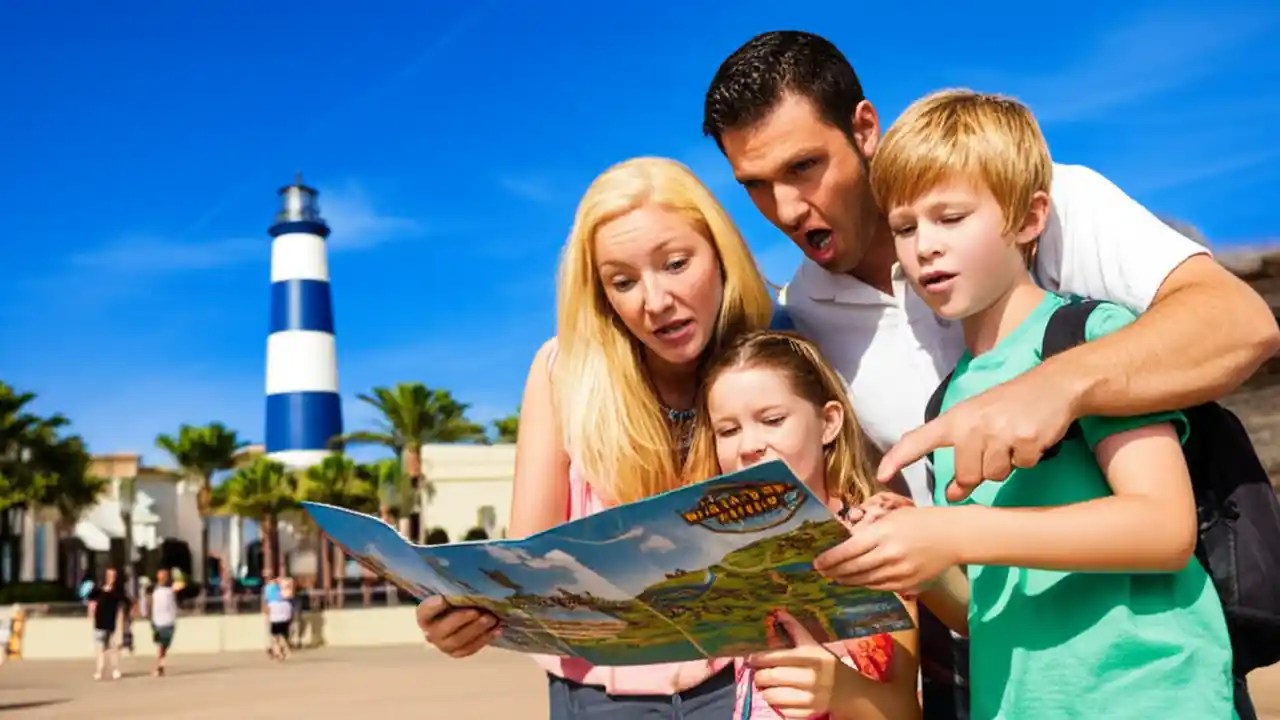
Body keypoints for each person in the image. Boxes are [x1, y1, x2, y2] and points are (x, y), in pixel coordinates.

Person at [702, 29, 1280, 717]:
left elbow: (1241, 325)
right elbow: (962, 578)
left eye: (804, 167)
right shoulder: (804, 322)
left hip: (1145, 672)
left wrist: (1054, 386)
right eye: (756, 186)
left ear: (863, 128)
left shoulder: (1045, 199)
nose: (786, 209)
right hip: (1000, 671)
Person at [814, 88, 1240, 719]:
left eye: (950, 217)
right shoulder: (945, 403)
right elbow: (983, 607)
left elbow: (1164, 528)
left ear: (1030, 218)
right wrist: (917, 556)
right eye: (905, 227)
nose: (924, 245)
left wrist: (952, 530)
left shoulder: (1088, 338)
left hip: (1149, 695)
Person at [417, 156, 775, 717]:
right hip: (600, 696)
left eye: (676, 264)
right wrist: (462, 615)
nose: (655, 302)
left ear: (720, 253)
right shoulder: (562, 370)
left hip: (754, 682)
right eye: (623, 282)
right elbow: (524, 558)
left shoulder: (780, 352)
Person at [690, 329, 968, 719]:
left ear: (829, 422)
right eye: (728, 430)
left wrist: (842, 691)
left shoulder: (874, 537)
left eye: (772, 420)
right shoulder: (723, 555)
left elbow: (905, 710)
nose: (748, 445)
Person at [88, 567, 127, 681]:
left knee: (113, 648)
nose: (111, 578)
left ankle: (115, 669)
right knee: (100, 649)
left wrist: (122, 621)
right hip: (99, 623)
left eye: (113, 576)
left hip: (111, 624)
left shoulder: (117, 592)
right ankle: (99, 670)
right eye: (109, 575)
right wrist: (91, 611)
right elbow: (90, 598)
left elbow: (124, 603)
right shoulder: (99, 590)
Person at [147, 568, 179, 677]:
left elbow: (173, 605)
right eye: (161, 576)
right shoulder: (155, 591)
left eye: (164, 576)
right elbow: (151, 605)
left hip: (169, 621)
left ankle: (160, 665)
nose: (163, 579)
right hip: (159, 622)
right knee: (161, 645)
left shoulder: (170, 591)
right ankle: (159, 666)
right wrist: (150, 618)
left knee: (164, 646)